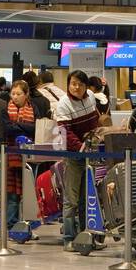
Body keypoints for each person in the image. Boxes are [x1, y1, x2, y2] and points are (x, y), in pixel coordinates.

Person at [54, 70, 102, 247]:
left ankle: (87, 238)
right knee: (71, 200)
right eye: (73, 83)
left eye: (80, 84)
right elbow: (66, 132)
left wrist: (95, 138)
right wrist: (81, 149)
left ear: (86, 87)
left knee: (87, 198)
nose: (76, 87)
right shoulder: (63, 105)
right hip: (74, 156)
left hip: (90, 153)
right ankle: (68, 239)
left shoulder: (90, 96)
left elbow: (95, 120)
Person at [3, 80, 37, 226]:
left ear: (26, 94)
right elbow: (7, 128)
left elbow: (36, 128)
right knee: (11, 193)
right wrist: (25, 127)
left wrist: (17, 125)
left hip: (30, 156)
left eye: (19, 94)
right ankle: (11, 223)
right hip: (11, 155)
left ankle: (27, 222)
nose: (15, 97)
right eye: (13, 93)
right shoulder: (5, 108)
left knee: (28, 189)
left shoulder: (33, 108)